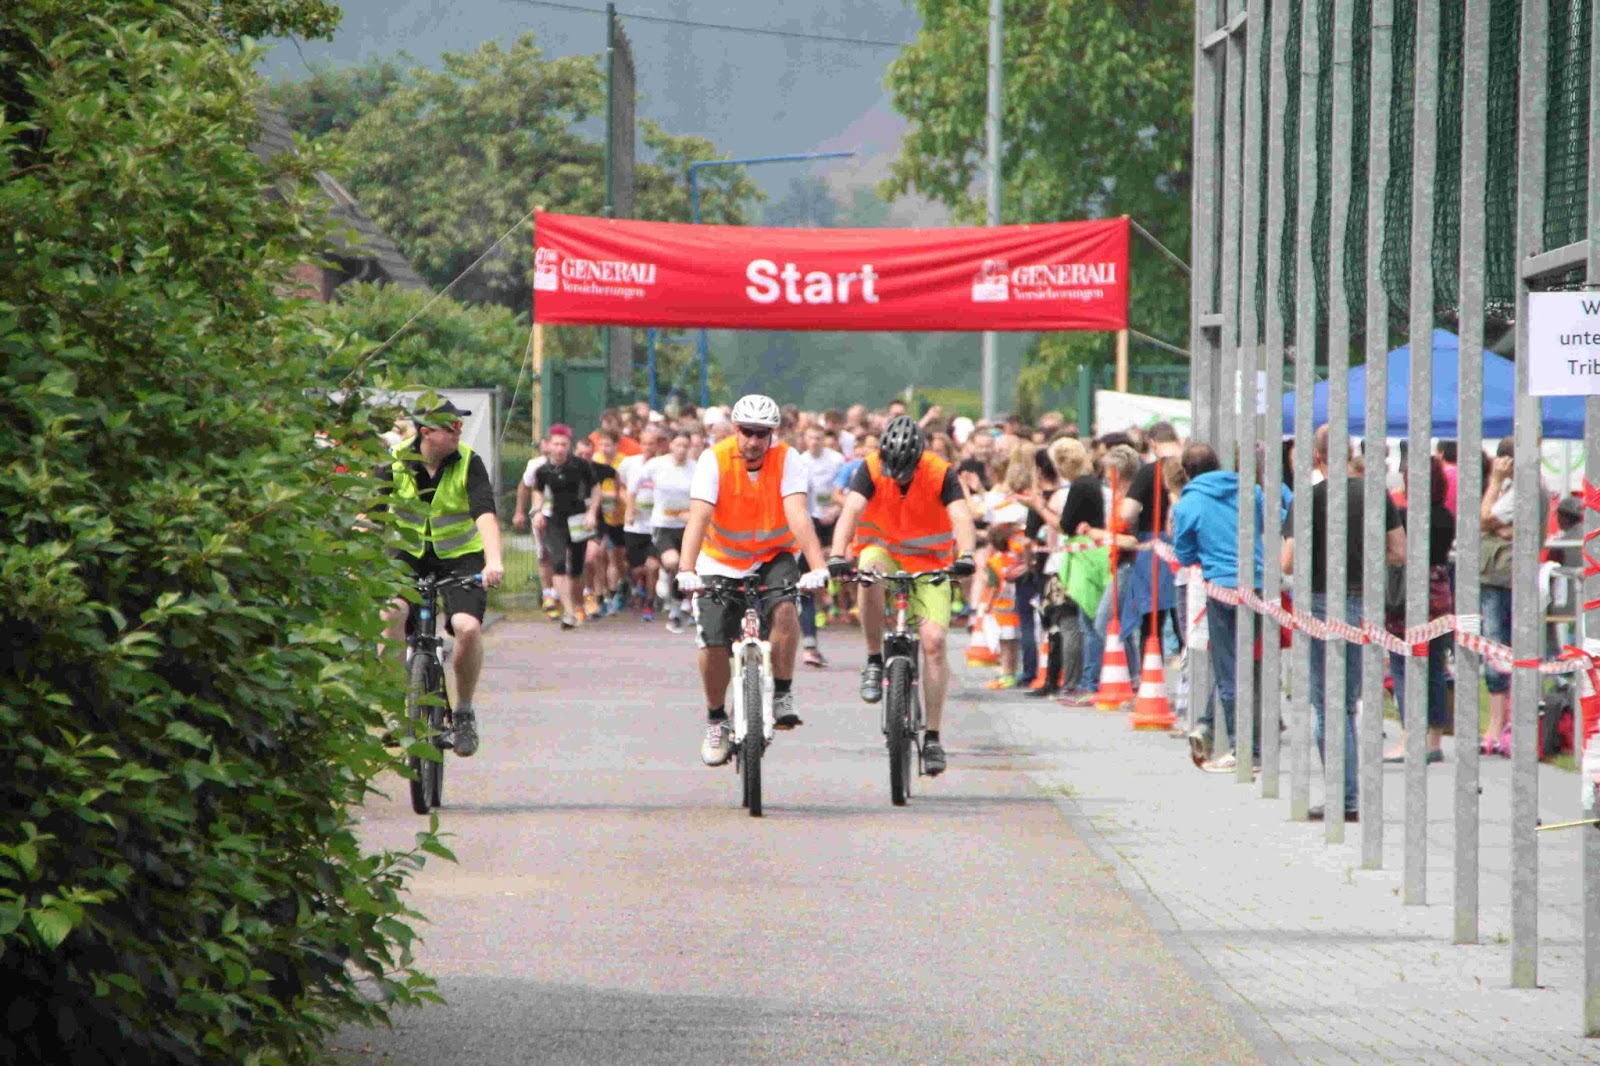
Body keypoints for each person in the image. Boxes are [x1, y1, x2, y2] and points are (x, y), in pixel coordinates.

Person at [676, 395, 830, 766]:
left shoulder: (788, 459)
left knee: (785, 608)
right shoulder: (713, 459)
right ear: (735, 429)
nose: (754, 440)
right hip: (721, 559)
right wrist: (686, 569)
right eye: (747, 432)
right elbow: (698, 517)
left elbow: (797, 514)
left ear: (773, 434)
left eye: (762, 433)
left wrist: (817, 566)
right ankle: (717, 720)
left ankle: (782, 692)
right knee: (713, 640)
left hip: (773, 555)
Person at [826, 415, 977, 776]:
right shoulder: (870, 468)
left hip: (930, 562)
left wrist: (967, 555)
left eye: (905, 471)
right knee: (868, 576)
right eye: (893, 469)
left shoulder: (940, 472)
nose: (899, 477)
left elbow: (961, 516)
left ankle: (934, 738)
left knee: (934, 643)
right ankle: (873, 659)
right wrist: (836, 553)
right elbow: (851, 510)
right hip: (883, 551)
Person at [1281, 425, 1405, 821]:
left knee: (1327, 705)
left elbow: (1288, 562)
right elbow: (1399, 552)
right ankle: (1348, 794)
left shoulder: (1309, 498)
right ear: (1351, 452)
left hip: (1321, 602)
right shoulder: (1375, 494)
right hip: (1365, 602)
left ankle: (1345, 796)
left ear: (1316, 456)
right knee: (1348, 702)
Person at [378, 399, 505, 758]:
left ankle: (462, 712)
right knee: (389, 613)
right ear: (426, 432)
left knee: (467, 627)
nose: (458, 432)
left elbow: (485, 514)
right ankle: (395, 711)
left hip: (460, 557)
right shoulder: (394, 462)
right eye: (452, 427)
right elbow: (369, 516)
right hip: (407, 554)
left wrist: (493, 561)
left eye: (460, 425)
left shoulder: (468, 462)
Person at [1173, 442, 1290, 772]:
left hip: (1221, 590)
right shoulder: (1250, 490)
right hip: (1256, 586)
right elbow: (1279, 520)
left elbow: (1183, 554)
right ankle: (1210, 726)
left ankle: (1245, 752)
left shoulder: (1188, 504)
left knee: (1228, 671)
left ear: (1186, 472)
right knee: (1240, 665)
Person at [1385, 455, 1456, 765]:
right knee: (1436, 668)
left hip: (1408, 592)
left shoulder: (1405, 516)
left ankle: (1408, 736)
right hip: (1439, 592)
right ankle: (1434, 740)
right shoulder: (1445, 517)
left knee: (1403, 665)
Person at [523, 425, 600, 630]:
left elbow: (595, 489)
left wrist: (592, 513)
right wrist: (538, 511)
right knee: (558, 563)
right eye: (556, 444)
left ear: (569, 446)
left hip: (578, 519)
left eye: (563, 445)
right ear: (549, 445)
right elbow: (538, 491)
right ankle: (568, 612)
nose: (559, 449)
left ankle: (578, 604)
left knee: (576, 569)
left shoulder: (580, 466)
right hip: (555, 520)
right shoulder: (543, 470)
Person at [795, 424, 845, 667]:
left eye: (818, 437)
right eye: (811, 438)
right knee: (805, 583)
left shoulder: (836, 460)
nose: (814, 442)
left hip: (833, 518)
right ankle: (809, 646)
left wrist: (836, 509)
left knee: (836, 564)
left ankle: (831, 597)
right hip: (808, 521)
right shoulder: (800, 462)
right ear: (805, 440)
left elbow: (844, 488)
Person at [647, 429, 696, 633]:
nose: (682, 450)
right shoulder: (657, 465)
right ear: (670, 446)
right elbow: (632, 484)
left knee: (686, 568)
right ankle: (664, 575)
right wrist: (631, 507)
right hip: (663, 524)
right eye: (678, 445)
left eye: (685, 446)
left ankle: (677, 609)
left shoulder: (696, 468)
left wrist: (691, 513)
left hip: (687, 526)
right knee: (672, 562)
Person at [619, 425, 667, 621]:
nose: (648, 447)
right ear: (640, 444)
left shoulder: (664, 464)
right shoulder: (629, 463)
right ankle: (635, 586)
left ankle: (649, 602)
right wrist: (630, 508)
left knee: (653, 567)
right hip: (635, 525)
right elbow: (621, 487)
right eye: (645, 443)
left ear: (658, 445)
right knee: (637, 568)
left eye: (652, 443)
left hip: (656, 524)